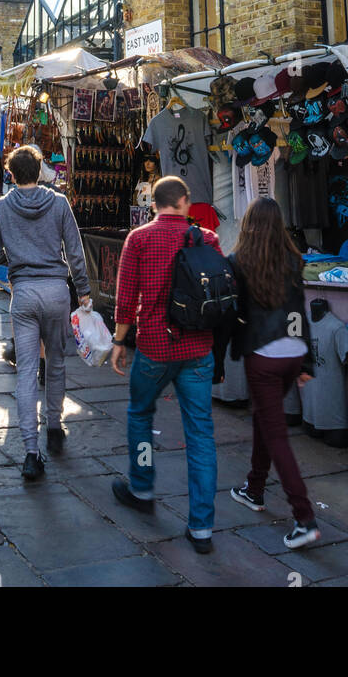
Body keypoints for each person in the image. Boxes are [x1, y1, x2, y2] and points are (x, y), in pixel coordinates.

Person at [111, 175, 220, 554]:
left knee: (141, 414)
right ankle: (202, 527)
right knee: (201, 435)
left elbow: (126, 297)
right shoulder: (207, 238)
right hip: (198, 349)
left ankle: (142, 485)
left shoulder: (139, 239)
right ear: (184, 201)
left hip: (156, 346)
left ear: (154, 203)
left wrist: (118, 341)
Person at [0, 144, 90, 481]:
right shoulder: (58, 203)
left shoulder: (2, 206)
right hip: (57, 291)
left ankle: (31, 452)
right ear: (40, 170)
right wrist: (85, 291)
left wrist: (16, 258)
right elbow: (74, 250)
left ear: (11, 173)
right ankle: (55, 426)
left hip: (25, 293)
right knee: (57, 362)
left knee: (27, 371)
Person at [222, 197, 321, 550]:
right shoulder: (293, 261)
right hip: (292, 353)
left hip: (262, 357)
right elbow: (300, 311)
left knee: (276, 433)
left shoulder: (237, 262)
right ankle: (254, 487)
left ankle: (304, 516)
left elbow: (232, 316)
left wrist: (220, 360)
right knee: (267, 419)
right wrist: (306, 362)